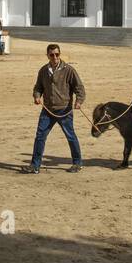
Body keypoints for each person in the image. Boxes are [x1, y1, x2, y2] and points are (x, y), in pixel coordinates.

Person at [28, 43, 86, 173]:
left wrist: (79, 101)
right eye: (52, 55)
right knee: (40, 137)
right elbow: (38, 87)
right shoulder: (43, 70)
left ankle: (77, 163)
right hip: (47, 109)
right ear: (47, 55)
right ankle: (35, 165)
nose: (55, 57)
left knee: (70, 136)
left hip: (64, 110)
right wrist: (37, 96)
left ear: (60, 54)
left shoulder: (69, 70)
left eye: (57, 54)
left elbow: (79, 88)